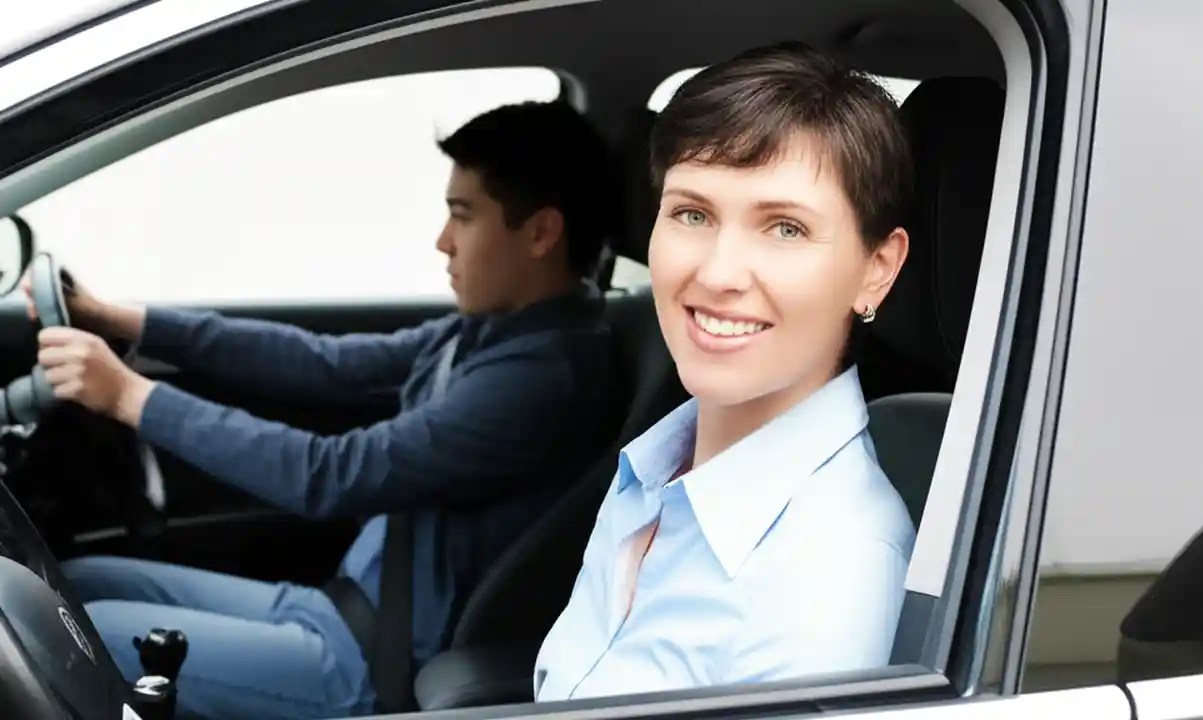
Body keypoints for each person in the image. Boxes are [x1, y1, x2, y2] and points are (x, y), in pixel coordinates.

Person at [29, 100, 620, 719]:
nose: (442, 241)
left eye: (463, 217)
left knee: (79, 636)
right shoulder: (491, 334)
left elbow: (332, 474)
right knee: (77, 582)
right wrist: (123, 320)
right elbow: (324, 362)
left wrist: (129, 395)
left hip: (373, 662)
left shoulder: (542, 378)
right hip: (345, 608)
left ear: (541, 233)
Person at [533, 43, 916, 701]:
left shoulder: (827, 572)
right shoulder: (655, 470)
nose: (715, 274)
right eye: (692, 213)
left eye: (786, 229)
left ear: (875, 268)